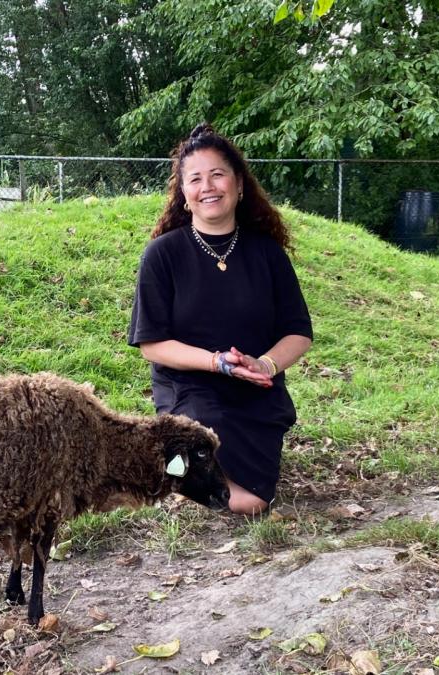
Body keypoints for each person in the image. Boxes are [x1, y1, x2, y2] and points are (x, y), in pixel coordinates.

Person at [127, 123, 314, 516]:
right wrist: (218, 362)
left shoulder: (268, 254)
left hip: (257, 389)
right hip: (190, 388)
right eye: (195, 179)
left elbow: (298, 333)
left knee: (258, 497)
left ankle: (178, 472)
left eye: (217, 174)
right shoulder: (162, 255)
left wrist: (264, 363)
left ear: (239, 184)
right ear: (183, 194)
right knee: (236, 486)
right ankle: (175, 469)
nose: (207, 186)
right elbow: (152, 344)